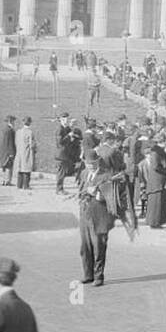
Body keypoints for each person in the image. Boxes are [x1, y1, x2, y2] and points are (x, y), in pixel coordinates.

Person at [77, 149, 115, 286]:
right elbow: (80, 191)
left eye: (93, 163)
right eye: (88, 163)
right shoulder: (83, 173)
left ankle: (99, 276)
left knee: (99, 246)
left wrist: (98, 194)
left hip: (99, 215)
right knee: (85, 247)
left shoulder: (106, 175)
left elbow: (111, 198)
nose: (90, 166)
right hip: (85, 214)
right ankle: (88, 275)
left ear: (98, 161)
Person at [139, 141, 166, 228]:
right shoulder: (155, 153)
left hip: (156, 181)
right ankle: (154, 223)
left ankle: (154, 222)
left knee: (155, 203)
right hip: (157, 181)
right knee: (156, 204)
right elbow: (156, 167)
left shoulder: (155, 153)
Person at [54, 112, 75, 195]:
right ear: (62, 120)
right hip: (61, 154)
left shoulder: (64, 128)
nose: (67, 121)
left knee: (62, 172)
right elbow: (60, 142)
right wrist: (69, 136)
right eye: (66, 119)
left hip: (64, 154)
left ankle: (60, 188)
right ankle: (59, 189)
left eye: (68, 119)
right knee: (61, 172)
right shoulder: (59, 129)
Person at [15, 116, 36, 189]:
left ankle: (19, 185)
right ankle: (26, 185)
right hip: (27, 152)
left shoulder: (18, 131)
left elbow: (16, 142)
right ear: (30, 123)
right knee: (27, 168)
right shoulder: (30, 132)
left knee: (20, 168)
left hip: (19, 152)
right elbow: (32, 145)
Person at [0, 115, 17, 186]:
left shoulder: (5, 129)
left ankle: (4, 180)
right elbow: (10, 142)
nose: (14, 123)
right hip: (8, 151)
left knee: (4, 167)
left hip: (3, 150)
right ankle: (7, 181)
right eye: (13, 121)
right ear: (10, 121)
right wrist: (11, 152)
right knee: (9, 166)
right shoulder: (10, 130)